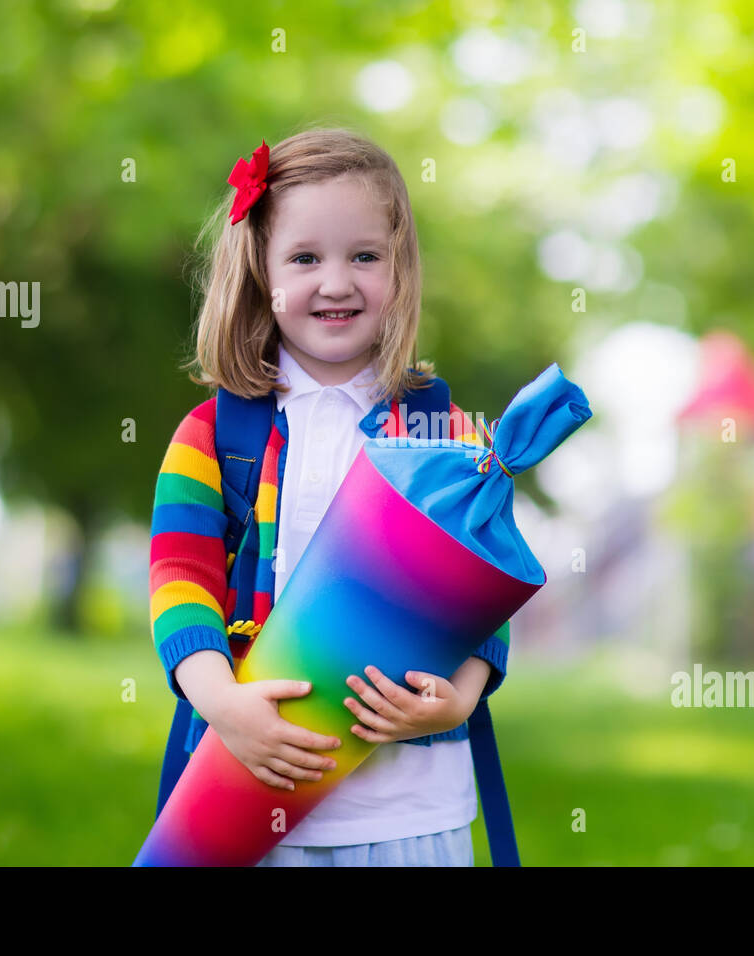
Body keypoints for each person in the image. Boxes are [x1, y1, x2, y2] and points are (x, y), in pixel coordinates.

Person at [149, 127, 511, 866]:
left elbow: (486, 588)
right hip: (252, 797)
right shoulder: (213, 435)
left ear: (400, 270)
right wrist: (222, 704)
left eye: (365, 256)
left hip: (412, 811)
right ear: (261, 272)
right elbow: (181, 581)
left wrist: (463, 696)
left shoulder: (448, 435)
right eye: (306, 258)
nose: (337, 282)